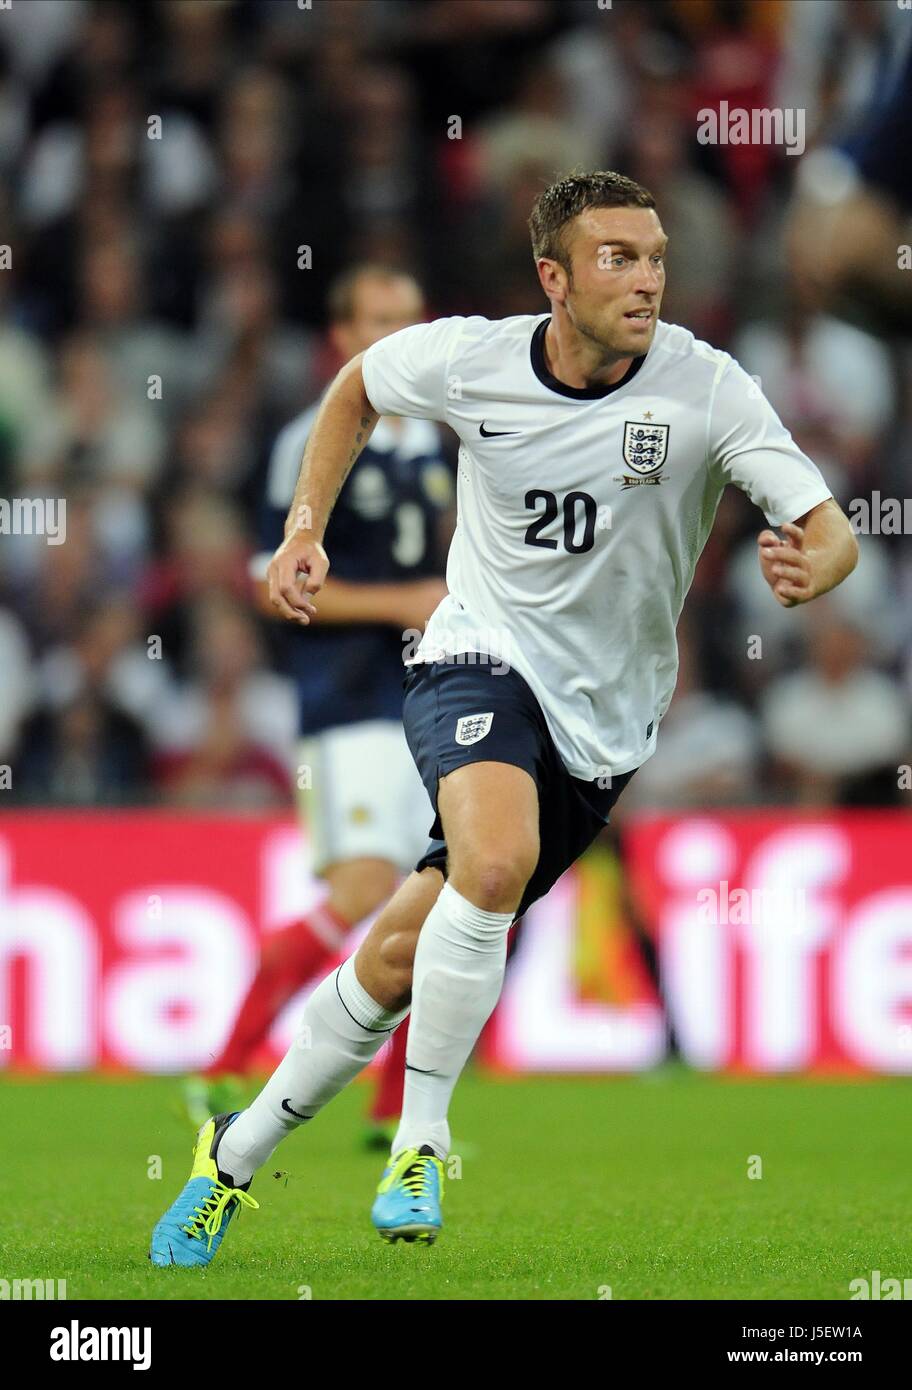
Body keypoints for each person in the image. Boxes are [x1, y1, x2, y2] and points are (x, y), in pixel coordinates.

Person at [151, 170, 858, 1266]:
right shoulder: (473, 357)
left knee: (394, 954)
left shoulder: (708, 388)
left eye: (656, 255)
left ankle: (229, 1161)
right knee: (493, 862)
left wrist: (813, 562)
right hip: (473, 653)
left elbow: (829, 524)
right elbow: (353, 389)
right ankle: (422, 1142)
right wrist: (305, 530)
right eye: (615, 257)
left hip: (602, 726)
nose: (644, 279)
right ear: (553, 278)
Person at [182, 264, 452, 1145]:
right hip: (347, 698)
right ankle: (224, 1061)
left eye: (407, 320)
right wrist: (400, 601)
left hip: (436, 694)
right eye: (376, 320)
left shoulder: (440, 439)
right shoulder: (315, 437)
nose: (392, 337)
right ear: (340, 336)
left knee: (442, 898)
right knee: (366, 887)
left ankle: (392, 1115)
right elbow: (273, 584)